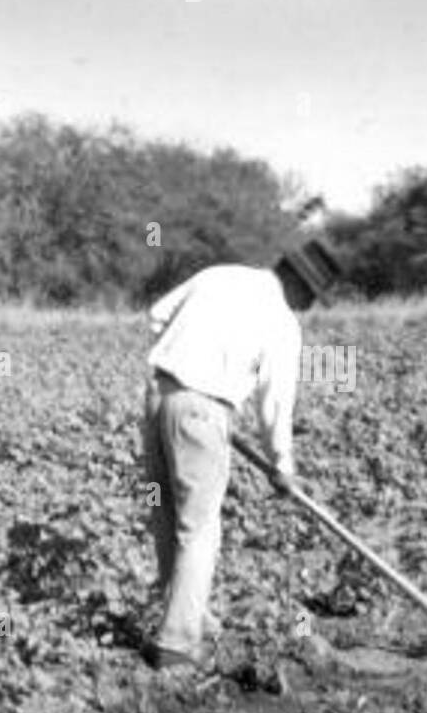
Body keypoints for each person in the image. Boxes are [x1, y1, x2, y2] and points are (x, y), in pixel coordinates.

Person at [139, 240, 343, 670]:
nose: (307, 306)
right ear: (298, 284)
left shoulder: (219, 275)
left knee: (167, 514)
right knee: (200, 529)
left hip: (158, 397)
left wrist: (185, 364)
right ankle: (176, 644)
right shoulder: (282, 323)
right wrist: (283, 464)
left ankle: (188, 615)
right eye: (309, 296)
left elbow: (156, 314)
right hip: (203, 412)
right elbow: (275, 403)